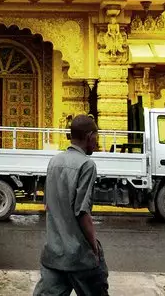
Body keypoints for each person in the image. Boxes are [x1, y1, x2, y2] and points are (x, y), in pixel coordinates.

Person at [33, 114, 109, 296]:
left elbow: (48, 206)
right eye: (96, 138)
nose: (96, 143)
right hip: (79, 255)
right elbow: (82, 212)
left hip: (54, 253)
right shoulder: (87, 165)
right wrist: (94, 247)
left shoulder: (54, 162)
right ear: (90, 136)